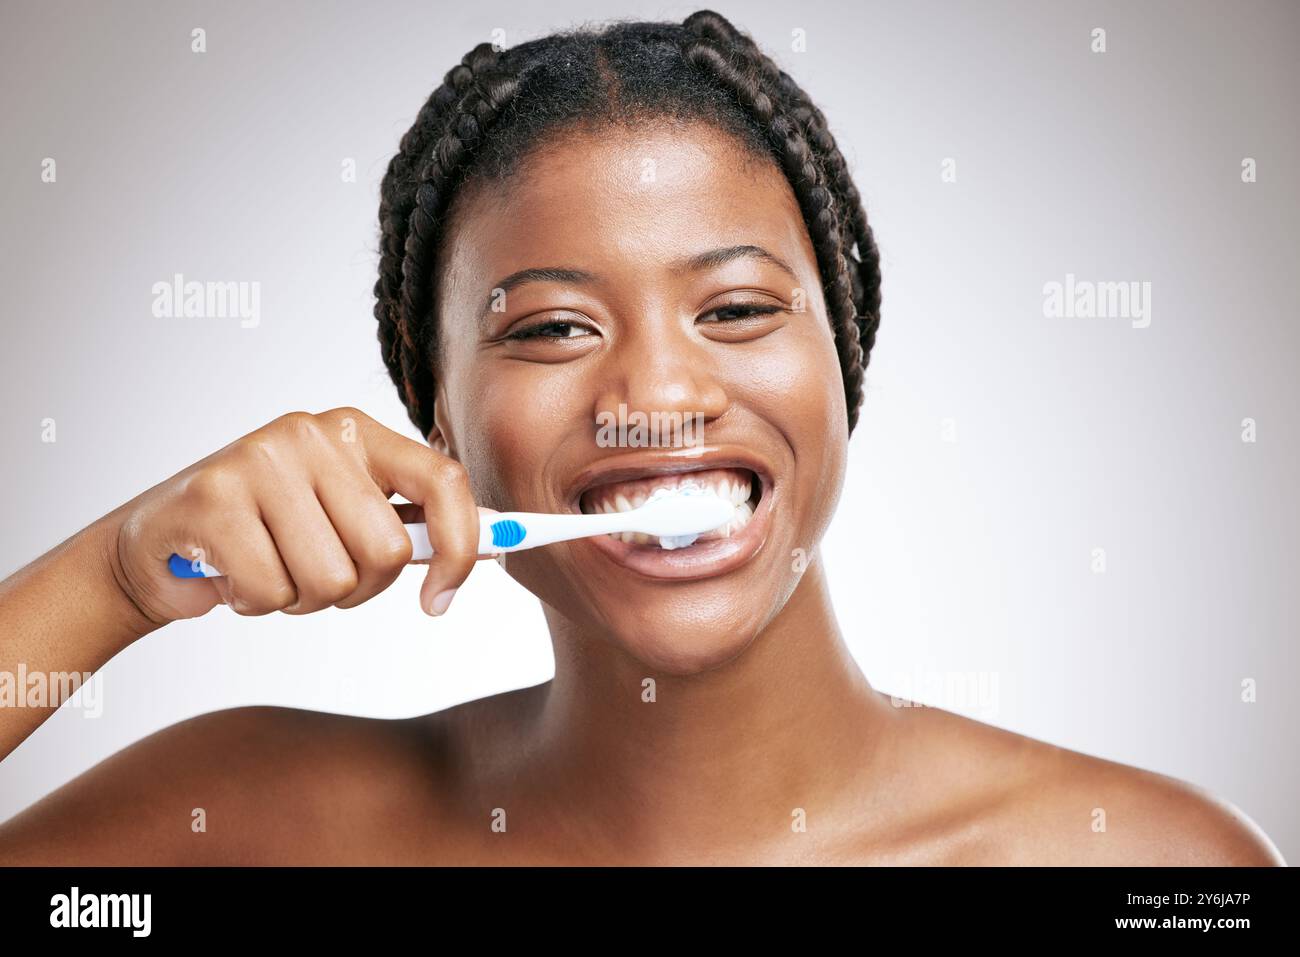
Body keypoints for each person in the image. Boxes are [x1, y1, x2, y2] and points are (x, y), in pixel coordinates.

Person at [0, 11, 1284, 865]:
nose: (656, 388)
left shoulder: (1143, 867)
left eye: (734, 309)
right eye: (552, 329)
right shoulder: (244, 826)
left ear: (844, 365)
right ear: (438, 423)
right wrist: (115, 579)